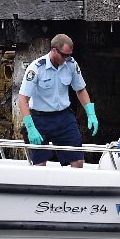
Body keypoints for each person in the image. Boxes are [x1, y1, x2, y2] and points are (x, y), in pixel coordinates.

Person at [16, 34, 98, 168]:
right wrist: (30, 128)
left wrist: (91, 113)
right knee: (39, 164)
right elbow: (23, 99)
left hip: (64, 117)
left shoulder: (71, 64)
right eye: (64, 55)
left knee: (77, 160)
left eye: (69, 55)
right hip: (39, 118)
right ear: (54, 50)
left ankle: (72, 187)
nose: (66, 59)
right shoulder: (36, 68)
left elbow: (80, 89)